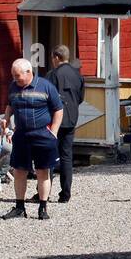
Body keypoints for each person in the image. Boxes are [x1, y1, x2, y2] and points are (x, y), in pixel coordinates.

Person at [4, 58, 64, 220]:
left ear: (28, 72)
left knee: (43, 171)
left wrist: (54, 131)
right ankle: (19, 207)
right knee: (19, 171)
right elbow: (10, 105)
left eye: (18, 76)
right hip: (21, 134)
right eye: (13, 76)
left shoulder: (46, 86)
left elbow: (58, 109)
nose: (15, 79)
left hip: (42, 134)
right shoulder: (13, 87)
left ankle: (43, 207)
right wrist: (7, 118)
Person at [44, 46, 84, 204]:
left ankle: (44, 193)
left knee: (49, 156)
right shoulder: (78, 75)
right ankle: (65, 194)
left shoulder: (52, 75)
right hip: (72, 119)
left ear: (56, 57)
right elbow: (80, 98)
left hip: (54, 120)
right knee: (67, 156)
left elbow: (46, 97)